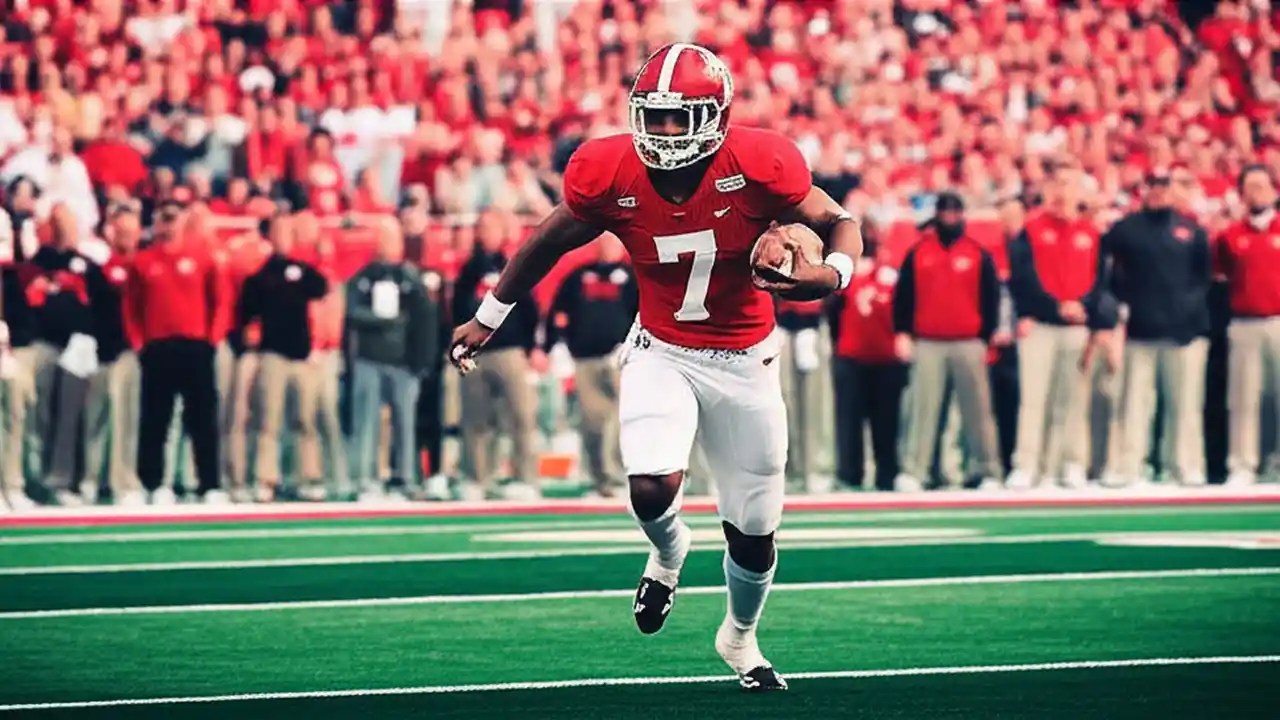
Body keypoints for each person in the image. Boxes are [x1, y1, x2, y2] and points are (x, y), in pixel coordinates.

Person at [448, 43, 861, 691]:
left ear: (717, 117)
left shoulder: (760, 163)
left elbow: (838, 221)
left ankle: (740, 639)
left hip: (748, 360)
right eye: (655, 115)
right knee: (649, 486)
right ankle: (669, 552)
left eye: (681, 117)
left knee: (753, 533)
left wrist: (827, 276)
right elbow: (547, 241)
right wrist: (488, 317)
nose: (665, 130)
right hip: (662, 349)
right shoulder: (609, 170)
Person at [1098, 170, 1212, 487]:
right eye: (1153, 187)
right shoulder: (1125, 230)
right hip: (1139, 331)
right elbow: (1107, 275)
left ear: (1173, 191)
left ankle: (1185, 465)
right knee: (1134, 404)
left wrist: (1191, 318)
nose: (1159, 193)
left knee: (1185, 405)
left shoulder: (1191, 231)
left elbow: (1202, 279)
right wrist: (1116, 316)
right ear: (1144, 191)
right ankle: (1128, 465)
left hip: (1182, 333)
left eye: (1164, 187)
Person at [1007, 163, 1109, 490]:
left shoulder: (1091, 233)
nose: (1063, 192)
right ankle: (1027, 465)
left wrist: (1084, 307)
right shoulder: (1032, 230)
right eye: (1058, 184)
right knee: (1034, 399)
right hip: (1041, 325)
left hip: (1077, 327)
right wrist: (1055, 306)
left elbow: (1100, 280)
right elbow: (1023, 278)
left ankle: (1071, 463)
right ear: (1048, 189)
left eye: (1070, 185)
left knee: (1074, 399)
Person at [893, 193, 1002, 492]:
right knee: (922, 410)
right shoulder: (919, 253)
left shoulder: (977, 253)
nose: (950, 218)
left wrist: (986, 336)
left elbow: (991, 298)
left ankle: (987, 469)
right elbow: (904, 296)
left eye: (955, 212)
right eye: (945, 212)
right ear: (937, 215)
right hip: (928, 341)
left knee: (978, 411)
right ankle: (915, 470)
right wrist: (902, 332)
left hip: (969, 341)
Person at [126, 200, 228, 504]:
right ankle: (154, 484)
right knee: (156, 418)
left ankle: (209, 484)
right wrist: (139, 343)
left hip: (196, 345)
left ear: (183, 221)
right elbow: (131, 307)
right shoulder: (143, 261)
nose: (168, 225)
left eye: (174, 218)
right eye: (163, 218)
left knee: (202, 419)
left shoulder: (202, 257)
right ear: (156, 222)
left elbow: (220, 300)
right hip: (158, 347)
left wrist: (213, 338)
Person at [452, 210, 542, 500]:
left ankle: (525, 477)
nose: (487, 233)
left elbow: (530, 309)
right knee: (476, 419)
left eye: (493, 227)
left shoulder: (513, 266)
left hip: (511, 350)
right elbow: (455, 309)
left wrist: (529, 348)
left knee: (520, 417)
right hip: (478, 353)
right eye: (483, 228)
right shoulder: (469, 270)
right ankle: (477, 478)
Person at [238, 215, 328, 501]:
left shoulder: (301, 269)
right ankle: (266, 478)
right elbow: (247, 308)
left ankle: (309, 477)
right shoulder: (262, 274)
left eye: (288, 232)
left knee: (305, 420)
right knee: (269, 420)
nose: (283, 238)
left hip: (300, 355)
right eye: (278, 232)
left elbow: (322, 286)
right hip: (272, 355)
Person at [345, 219, 435, 500]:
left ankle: (403, 477)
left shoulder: (411, 278)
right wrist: (384, 321)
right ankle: (366, 479)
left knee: (405, 424)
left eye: (391, 238)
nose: (387, 244)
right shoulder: (365, 277)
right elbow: (352, 312)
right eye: (382, 238)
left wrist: (421, 361)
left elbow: (425, 318)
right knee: (367, 422)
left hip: (403, 362)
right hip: (369, 359)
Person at [544, 233, 637, 497]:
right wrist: (557, 343)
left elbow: (645, 314)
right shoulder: (578, 276)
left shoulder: (633, 278)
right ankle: (600, 479)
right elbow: (559, 312)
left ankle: (620, 475)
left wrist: (631, 345)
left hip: (622, 359)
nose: (607, 247)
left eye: (613, 242)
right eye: (603, 242)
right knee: (592, 422)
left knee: (621, 420)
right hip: (585, 358)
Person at [1217, 165, 1280, 487]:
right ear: (1241, 193)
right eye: (1250, 187)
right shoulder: (1231, 235)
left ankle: (1276, 463)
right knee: (1244, 397)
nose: (1256, 192)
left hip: (1279, 321)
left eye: (1262, 185)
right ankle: (1242, 464)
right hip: (1244, 323)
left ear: (1274, 190)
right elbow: (1220, 275)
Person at [830, 223, 904, 491]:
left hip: (886, 357)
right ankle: (850, 473)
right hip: (853, 356)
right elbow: (834, 312)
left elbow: (904, 309)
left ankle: (887, 473)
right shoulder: (846, 274)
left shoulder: (891, 276)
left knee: (886, 421)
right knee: (850, 421)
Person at [83, 204, 144, 506]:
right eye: (122, 231)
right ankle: (90, 478)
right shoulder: (104, 266)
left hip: (130, 351)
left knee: (126, 420)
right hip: (102, 350)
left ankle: (122, 480)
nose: (127, 237)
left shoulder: (143, 265)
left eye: (132, 232)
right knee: (96, 419)